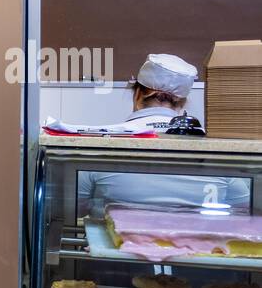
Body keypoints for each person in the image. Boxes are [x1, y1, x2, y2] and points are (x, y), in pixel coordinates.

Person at [76, 54, 250, 218]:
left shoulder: (103, 143)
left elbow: (75, 208)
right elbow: (245, 207)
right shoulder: (215, 151)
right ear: (182, 102)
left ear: (137, 94)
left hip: (115, 248)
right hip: (195, 248)